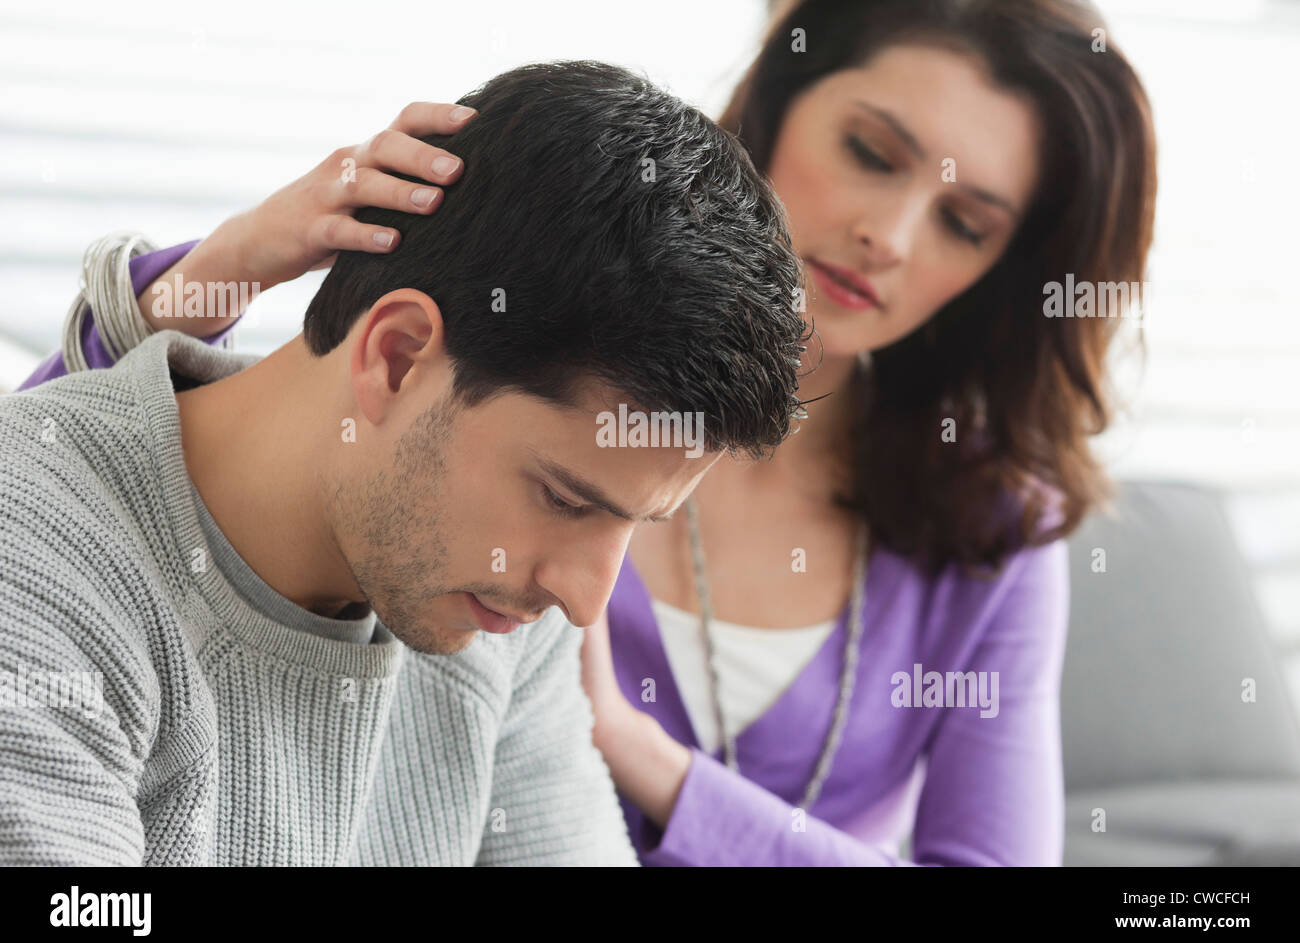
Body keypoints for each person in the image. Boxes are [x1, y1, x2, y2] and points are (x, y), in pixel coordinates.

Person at [24, 0, 1158, 867]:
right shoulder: (97, 549)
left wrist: (645, 756)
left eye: (965, 221)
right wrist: (209, 273)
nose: (889, 236)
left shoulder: (505, 601)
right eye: (871, 151)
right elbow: (64, 497)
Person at [0, 60, 808, 865]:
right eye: (566, 500)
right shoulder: (39, 557)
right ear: (395, 356)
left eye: (636, 522)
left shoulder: (493, 612)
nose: (587, 600)